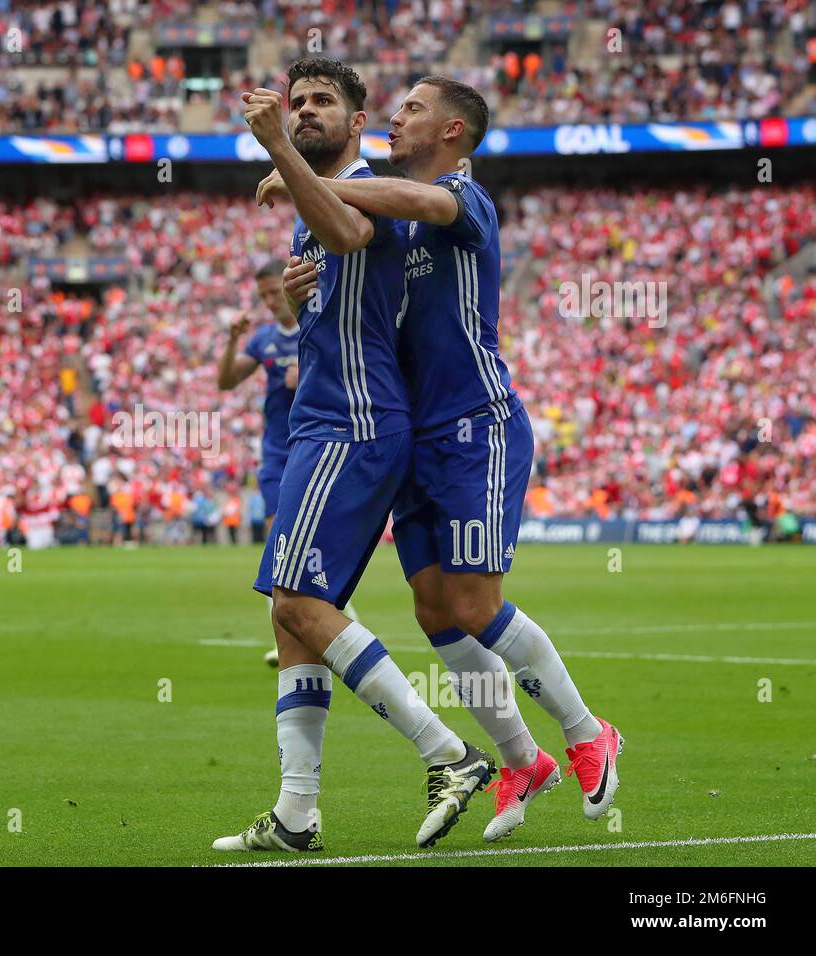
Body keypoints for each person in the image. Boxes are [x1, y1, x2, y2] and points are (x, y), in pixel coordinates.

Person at [269, 75, 623, 842]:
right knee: (435, 611)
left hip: (475, 425)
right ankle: (519, 759)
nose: (398, 116)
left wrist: (304, 172)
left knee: (472, 605)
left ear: (453, 132)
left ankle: (587, 728)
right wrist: (304, 295)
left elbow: (408, 203)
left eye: (414, 110)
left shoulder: (462, 199)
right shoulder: (390, 219)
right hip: (413, 436)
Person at [212, 58, 495, 856]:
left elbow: (354, 232)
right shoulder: (317, 196)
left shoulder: (352, 185)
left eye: (322, 102)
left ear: (357, 122)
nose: (304, 110)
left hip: (352, 422)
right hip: (329, 420)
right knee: (290, 618)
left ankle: (449, 754)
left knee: (300, 605)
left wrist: (279, 153)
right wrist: (305, 298)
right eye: (295, 101)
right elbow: (344, 269)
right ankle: (296, 815)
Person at [218, 258, 363, 667]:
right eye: (262, 294)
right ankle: (291, 639)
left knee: (314, 543)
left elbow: (351, 372)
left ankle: (340, 624)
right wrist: (231, 340)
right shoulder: (262, 340)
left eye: (272, 290)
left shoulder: (318, 327)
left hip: (319, 447)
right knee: (278, 543)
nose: (269, 300)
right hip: (277, 455)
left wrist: (313, 370)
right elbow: (226, 381)